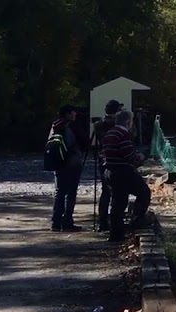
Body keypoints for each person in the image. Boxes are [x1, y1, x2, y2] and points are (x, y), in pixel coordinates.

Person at [101, 108, 151, 242]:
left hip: (110, 171)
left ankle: (115, 234)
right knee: (144, 192)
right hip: (123, 171)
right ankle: (137, 219)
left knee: (118, 202)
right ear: (128, 122)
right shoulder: (123, 135)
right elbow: (129, 155)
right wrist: (140, 157)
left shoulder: (109, 133)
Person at [49, 105, 86, 232]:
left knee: (59, 192)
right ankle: (67, 221)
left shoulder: (55, 126)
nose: (75, 114)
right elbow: (83, 143)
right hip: (72, 162)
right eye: (73, 112)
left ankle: (55, 222)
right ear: (68, 114)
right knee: (71, 193)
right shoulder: (72, 126)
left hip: (58, 162)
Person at [91, 99, 122, 232]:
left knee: (105, 191)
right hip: (117, 159)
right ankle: (115, 222)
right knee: (117, 191)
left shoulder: (98, 124)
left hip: (103, 159)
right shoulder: (117, 125)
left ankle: (102, 222)